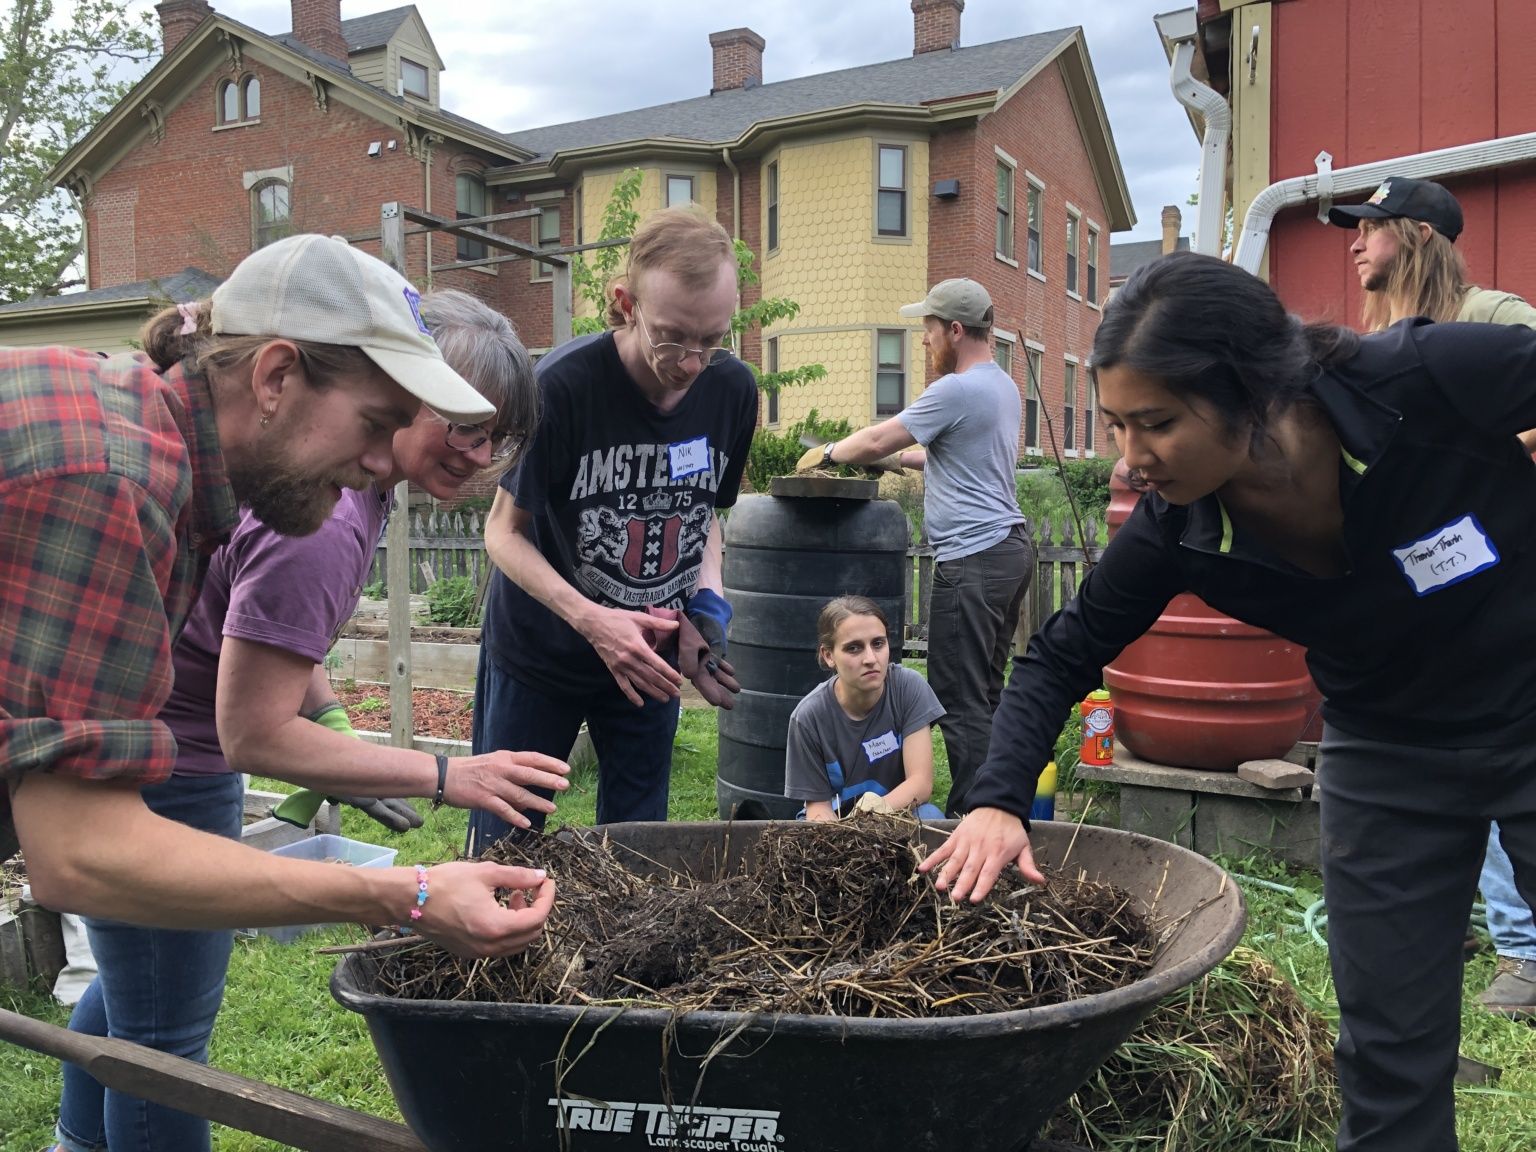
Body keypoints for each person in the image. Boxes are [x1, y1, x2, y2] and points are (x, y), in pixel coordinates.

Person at [921, 251, 1536, 1152]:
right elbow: (1059, 655)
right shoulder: (1179, 529)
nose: (1131, 459)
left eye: (1158, 423)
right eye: (1119, 425)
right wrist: (996, 799)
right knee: (1390, 1048)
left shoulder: (1424, 375)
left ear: (1252, 391)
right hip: (1388, 752)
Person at [47, 290, 567, 1152]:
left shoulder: (328, 486)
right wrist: (442, 781)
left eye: (496, 436)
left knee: (136, 986)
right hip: (168, 764)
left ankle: (73, 1141)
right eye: (456, 424)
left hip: (162, 739)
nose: (480, 457)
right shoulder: (316, 520)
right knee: (165, 1044)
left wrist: (333, 720)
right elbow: (250, 732)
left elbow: (257, 634)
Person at [1, 234, 554, 974]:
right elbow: (80, 855)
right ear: (275, 377)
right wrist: (410, 894)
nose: (383, 463)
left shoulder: (153, 442)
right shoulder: (113, 481)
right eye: (373, 423)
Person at [467, 205, 758, 846]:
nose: (690, 363)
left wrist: (706, 612)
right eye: (673, 335)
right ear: (625, 303)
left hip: (647, 658)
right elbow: (502, 534)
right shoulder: (563, 387)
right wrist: (595, 622)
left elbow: (701, 513)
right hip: (542, 653)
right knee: (506, 839)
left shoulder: (732, 390)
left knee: (637, 849)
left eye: (712, 340)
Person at [1329, 176, 1536, 1018]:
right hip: (1424, 601)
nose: (1353, 242)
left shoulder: (1492, 317)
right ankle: (1452, 927)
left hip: (1505, 590)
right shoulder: (1374, 341)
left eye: (1369, 228)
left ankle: (1524, 958)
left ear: (1415, 235)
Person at [795, 278, 1031, 816]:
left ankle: (974, 818)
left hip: (971, 559)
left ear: (953, 329)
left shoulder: (956, 389)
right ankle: (1000, 803)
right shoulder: (1001, 386)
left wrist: (831, 451)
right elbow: (947, 457)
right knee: (987, 691)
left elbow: (880, 437)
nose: (923, 341)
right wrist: (894, 459)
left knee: (958, 696)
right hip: (1008, 551)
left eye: (927, 329)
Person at [785, 596, 945, 821]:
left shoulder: (908, 688)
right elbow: (818, 809)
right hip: (835, 825)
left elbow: (920, 784)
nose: (870, 658)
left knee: (931, 818)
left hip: (897, 811)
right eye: (854, 648)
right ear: (828, 655)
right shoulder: (808, 718)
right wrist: (845, 838)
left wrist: (871, 814)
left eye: (878, 644)